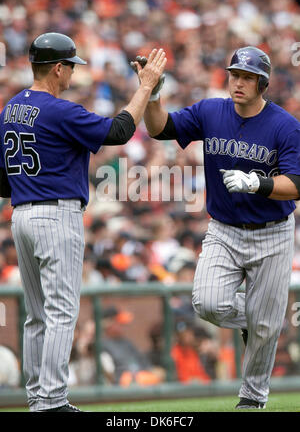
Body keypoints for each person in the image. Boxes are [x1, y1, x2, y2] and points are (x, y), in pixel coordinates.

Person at [0, 32, 166, 412]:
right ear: (58, 68)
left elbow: (0, 178)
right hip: (55, 214)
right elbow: (119, 131)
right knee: (60, 311)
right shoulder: (58, 110)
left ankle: (37, 397)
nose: (73, 73)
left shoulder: (10, 108)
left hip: (21, 214)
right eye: (71, 66)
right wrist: (145, 87)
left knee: (36, 315)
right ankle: (53, 400)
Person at [137, 46, 300, 409]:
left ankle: (252, 398)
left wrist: (259, 183)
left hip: (272, 231)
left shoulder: (285, 125)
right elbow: (160, 128)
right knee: (208, 303)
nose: (238, 83)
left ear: (263, 83)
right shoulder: (211, 110)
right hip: (224, 228)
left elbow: (296, 184)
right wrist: (154, 94)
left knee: (263, 326)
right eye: (235, 75)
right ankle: (258, 319)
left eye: (247, 77)